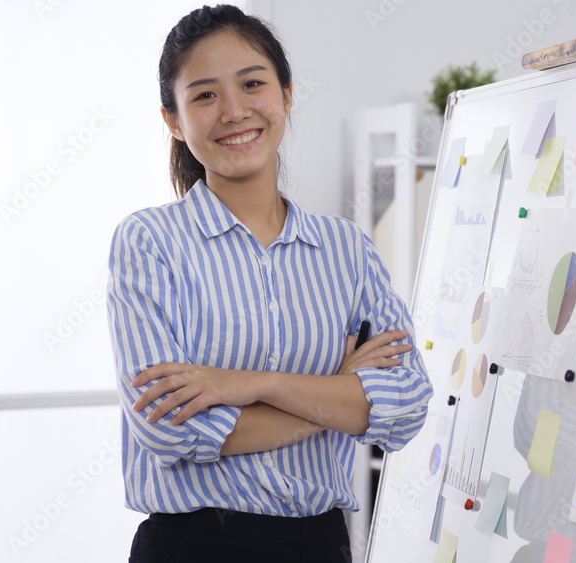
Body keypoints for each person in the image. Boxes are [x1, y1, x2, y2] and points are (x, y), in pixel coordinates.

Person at [105, 5, 432, 561]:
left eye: (252, 84)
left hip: (320, 545)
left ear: (285, 93)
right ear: (174, 121)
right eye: (204, 95)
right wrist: (336, 390)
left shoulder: (346, 250)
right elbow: (169, 433)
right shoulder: (148, 242)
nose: (234, 111)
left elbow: (405, 404)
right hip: (194, 546)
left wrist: (250, 384)